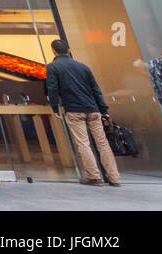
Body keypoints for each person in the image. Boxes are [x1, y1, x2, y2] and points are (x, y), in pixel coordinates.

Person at [46, 39, 121, 187]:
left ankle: (94, 176)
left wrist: (55, 108)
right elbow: (95, 89)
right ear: (69, 51)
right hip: (93, 109)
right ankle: (114, 177)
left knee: (83, 144)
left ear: (54, 51)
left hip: (74, 110)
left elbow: (52, 89)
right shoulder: (83, 67)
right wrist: (103, 110)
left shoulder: (53, 67)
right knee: (103, 144)